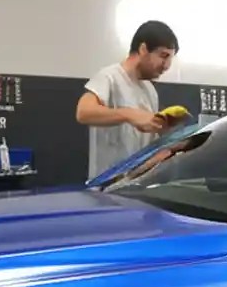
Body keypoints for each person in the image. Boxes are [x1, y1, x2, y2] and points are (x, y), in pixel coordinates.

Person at [76, 20, 183, 179]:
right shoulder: (109, 77)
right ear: (143, 49)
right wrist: (128, 114)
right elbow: (83, 112)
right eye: (163, 56)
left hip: (136, 186)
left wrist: (167, 137)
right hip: (107, 190)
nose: (166, 65)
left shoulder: (149, 90)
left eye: (170, 59)